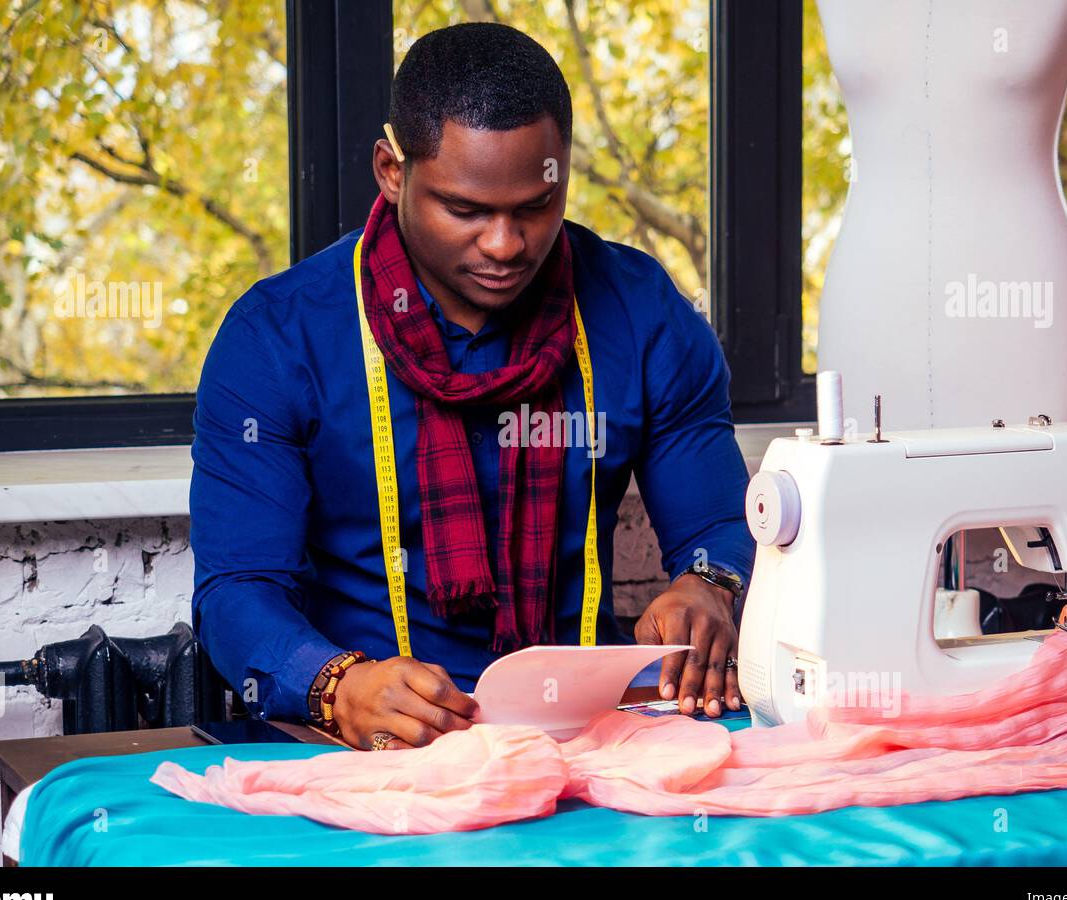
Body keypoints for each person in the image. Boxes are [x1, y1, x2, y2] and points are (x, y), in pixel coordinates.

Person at [191, 22, 753, 751]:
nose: (504, 244)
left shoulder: (638, 310)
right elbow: (238, 590)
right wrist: (336, 684)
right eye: (466, 210)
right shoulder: (277, 336)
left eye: (533, 208)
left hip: (584, 738)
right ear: (392, 172)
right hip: (365, 749)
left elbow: (715, 527)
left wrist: (707, 588)